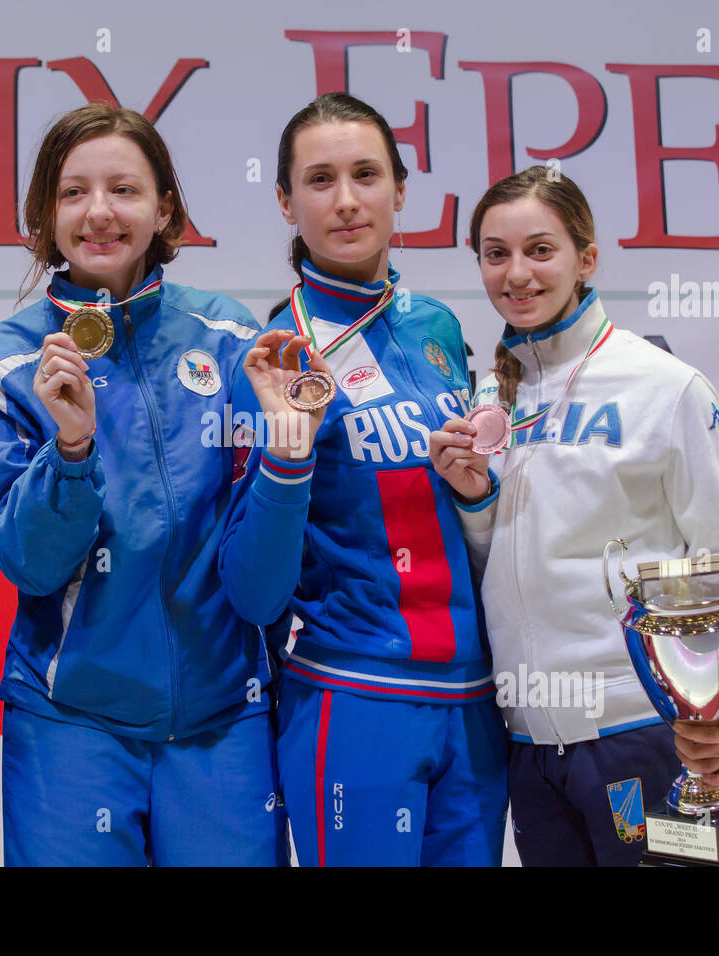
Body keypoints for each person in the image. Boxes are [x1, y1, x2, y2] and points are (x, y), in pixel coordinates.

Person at [0, 104, 282, 866]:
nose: (99, 213)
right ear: (44, 213)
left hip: (222, 719)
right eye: (73, 193)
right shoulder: (3, 364)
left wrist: (290, 450)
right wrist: (72, 447)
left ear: (164, 206)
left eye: (124, 190)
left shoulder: (227, 337)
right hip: (71, 722)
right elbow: (31, 568)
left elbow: (261, 561)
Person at [429, 165, 719, 866]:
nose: (516, 274)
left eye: (540, 250)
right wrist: (473, 501)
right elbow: (506, 568)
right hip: (528, 744)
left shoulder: (665, 388)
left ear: (587, 259)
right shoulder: (490, 396)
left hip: (644, 732)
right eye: (496, 254)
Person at [218, 93, 509, 866]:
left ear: (400, 190)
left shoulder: (439, 328)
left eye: (365, 175)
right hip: (355, 698)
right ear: (286, 200)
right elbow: (253, 593)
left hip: (477, 702)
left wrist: (482, 488)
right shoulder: (270, 359)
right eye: (319, 180)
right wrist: (289, 448)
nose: (346, 201)